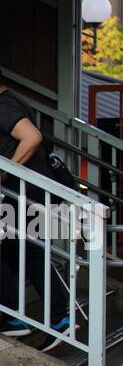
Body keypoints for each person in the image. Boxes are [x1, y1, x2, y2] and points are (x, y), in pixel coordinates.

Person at [0, 81, 71, 348]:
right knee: (19, 253)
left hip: (25, 193)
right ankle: (16, 317)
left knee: (29, 254)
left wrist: (5, 170)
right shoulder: (13, 100)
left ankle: (55, 319)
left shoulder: (3, 105)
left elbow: (32, 137)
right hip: (29, 193)